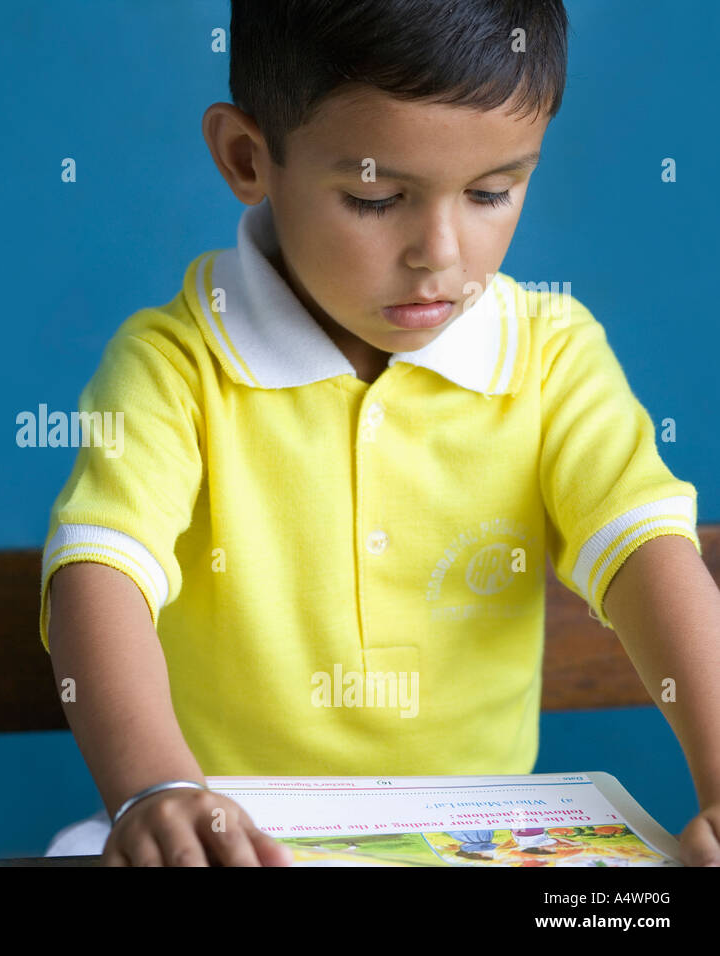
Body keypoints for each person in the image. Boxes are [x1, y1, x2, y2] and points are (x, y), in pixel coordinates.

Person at [39, 0, 720, 866]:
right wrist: (158, 790)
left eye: (491, 192)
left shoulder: (551, 359)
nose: (440, 253)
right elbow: (100, 571)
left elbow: (645, 552)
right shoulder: (176, 365)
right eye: (376, 197)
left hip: (485, 843)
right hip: (234, 838)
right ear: (248, 157)